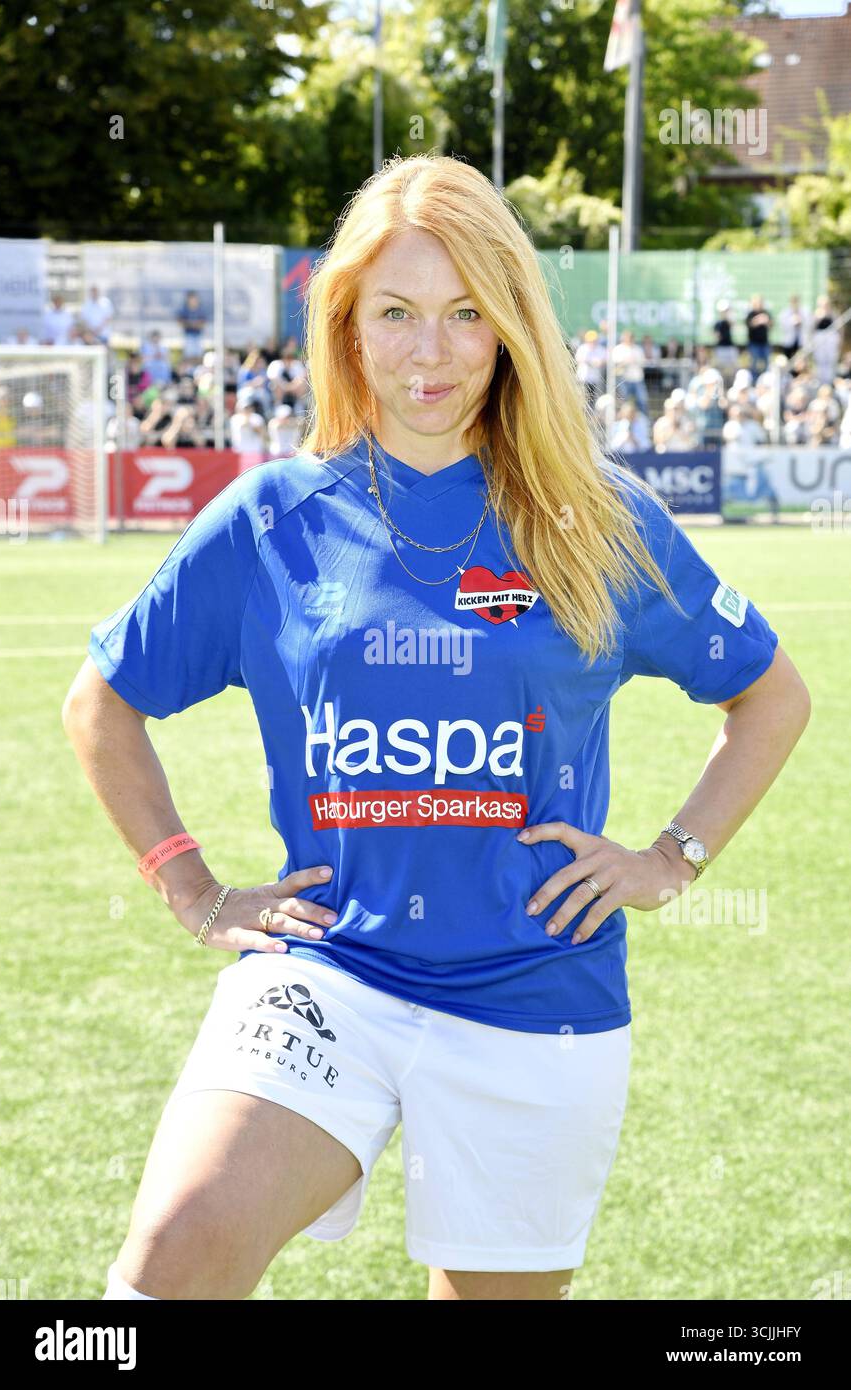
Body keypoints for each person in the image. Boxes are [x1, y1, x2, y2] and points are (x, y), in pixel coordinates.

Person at [63, 153, 811, 1303]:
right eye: (396, 313)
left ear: (509, 325)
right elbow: (102, 700)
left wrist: (670, 858)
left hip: (536, 1003)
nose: (429, 350)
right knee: (170, 1262)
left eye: (467, 314)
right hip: (330, 970)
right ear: (348, 327)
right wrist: (192, 886)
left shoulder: (593, 519)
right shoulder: (276, 516)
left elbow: (767, 694)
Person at [745, 294, 773, 377]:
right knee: (754, 363)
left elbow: (771, 325)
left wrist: (766, 321)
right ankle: (754, 380)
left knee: (766, 363)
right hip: (754, 343)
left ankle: (765, 380)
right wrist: (758, 320)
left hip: (764, 342)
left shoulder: (766, 313)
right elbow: (749, 324)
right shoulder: (750, 314)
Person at [177, 291, 206, 362]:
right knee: (188, 355)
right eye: (191, 299)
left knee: (198, 356)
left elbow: (202, 324)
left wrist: (192, 324)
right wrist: (191, 324)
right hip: (188, 336)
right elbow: (180, 322)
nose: (193, 301)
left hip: (198, 336)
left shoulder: (200, 310)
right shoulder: (184, 310)